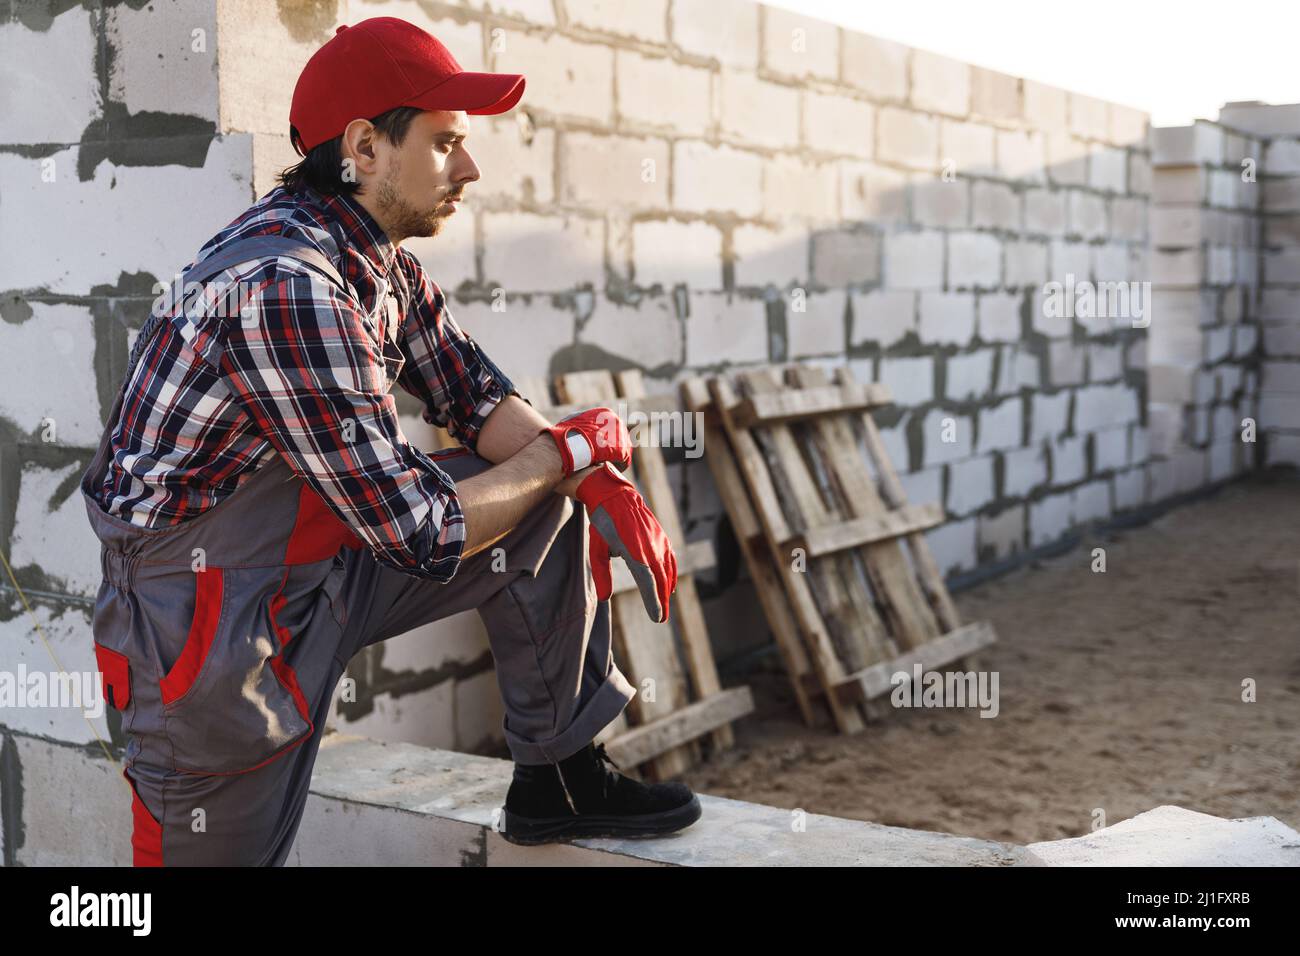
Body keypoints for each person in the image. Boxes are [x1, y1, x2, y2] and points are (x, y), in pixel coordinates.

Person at [80, 16, 700, 865]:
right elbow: (422, 530)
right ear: (365, 148)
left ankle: (559, 779)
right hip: (206, 623)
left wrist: (586, 481)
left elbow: (471, 392)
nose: (472, 168)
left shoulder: (375, 260)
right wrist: (568, 454)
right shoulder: (287, 286)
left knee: (538, 509)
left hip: (313, 562)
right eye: (447, 144)